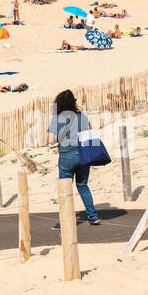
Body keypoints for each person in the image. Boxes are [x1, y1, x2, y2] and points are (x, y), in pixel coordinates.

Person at [46, 89, 100, 227]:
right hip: (82, 154)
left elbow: (50, 140)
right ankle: (93, 216)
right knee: (82, 185)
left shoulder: (57, 118)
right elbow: (89, 133)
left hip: (66, 156)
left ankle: (65, 222)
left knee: (65, 188)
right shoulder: (81, 116)